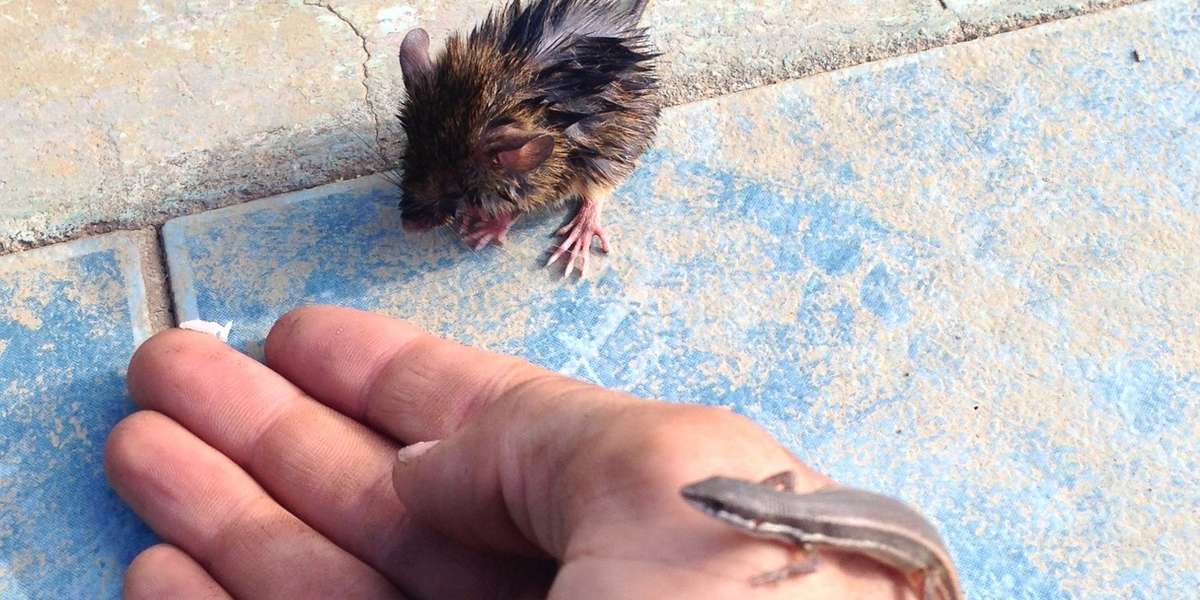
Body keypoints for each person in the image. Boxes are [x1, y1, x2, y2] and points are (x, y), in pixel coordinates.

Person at [106, 306, 912, 599]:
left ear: (752, 518)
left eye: (718, 510)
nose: (702, 511)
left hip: (894, 553)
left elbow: (807, 555)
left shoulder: (802, 547)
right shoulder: (773, 509)